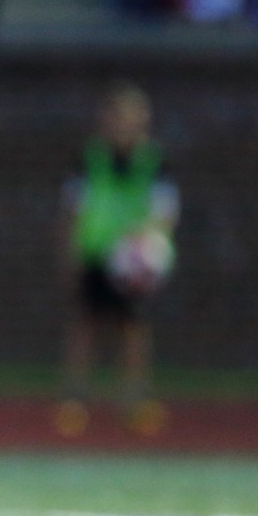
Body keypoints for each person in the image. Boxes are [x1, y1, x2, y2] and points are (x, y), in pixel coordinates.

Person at [55, 81, 180, 438]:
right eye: (117, 116)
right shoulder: (90, 157)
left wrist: (147, 241)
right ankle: (74, 400)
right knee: (86, 324)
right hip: (95, 252)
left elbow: (166, 210)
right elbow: (71, 210)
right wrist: (69, 255)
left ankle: (134, 401)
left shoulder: (154, 160)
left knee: (133, 328)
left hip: (134, 261)